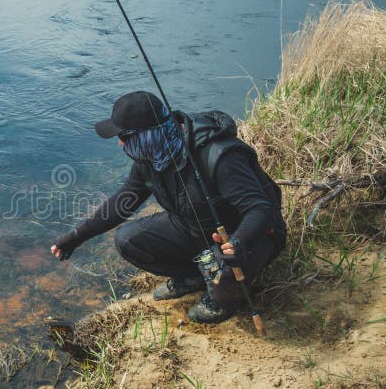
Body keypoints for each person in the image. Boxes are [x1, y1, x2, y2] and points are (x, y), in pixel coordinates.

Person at [50, 91, 286, 323]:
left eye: (125, 136)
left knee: (221, 265)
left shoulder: (219, 155)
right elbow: (121, 203)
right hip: (194, 228)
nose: (120, 143)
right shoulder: (151, 158)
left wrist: (240, 242)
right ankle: (194, 277)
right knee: (128, 239)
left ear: (147, 135)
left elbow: (260, 209)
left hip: (251, 235)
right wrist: (77, 236)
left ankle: (225, 300)